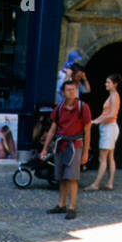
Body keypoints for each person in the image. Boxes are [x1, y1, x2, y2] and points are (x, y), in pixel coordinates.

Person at [40, 79, 91, 220]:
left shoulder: (83, 107)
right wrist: (44, 149)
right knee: (61, 177)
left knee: (72, 178)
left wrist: (86, 152)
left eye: (74, 90)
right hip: (61, 144)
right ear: (63, 92)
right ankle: (61, 204)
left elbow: (87, 131)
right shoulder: (59, 109)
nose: (72, 92)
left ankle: (72, 207)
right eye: (69, 90)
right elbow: (52, 129)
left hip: (75, 145)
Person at [86, 73, 121, 190]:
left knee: (103, 157)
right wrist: (96, 120)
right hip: (107, 127)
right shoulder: (112, 96)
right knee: (110, 156)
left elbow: (111, 115)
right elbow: (106, 114)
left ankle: (96, 184)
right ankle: (109, 183)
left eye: (108, 82)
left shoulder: (114, 96)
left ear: (114, 84)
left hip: (109, 128)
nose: (106, 84)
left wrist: (96, 121)